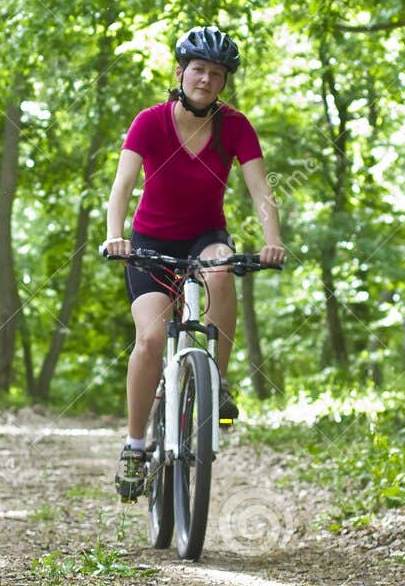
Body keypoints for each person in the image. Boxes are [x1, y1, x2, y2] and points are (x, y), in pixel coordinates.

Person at [104, 26, 285, 501]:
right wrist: (115, 236)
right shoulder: (149, 121)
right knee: (148, 338)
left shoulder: (236, 126)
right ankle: (135, 444)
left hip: (205, 239)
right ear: (181, 72)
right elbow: (122, 185)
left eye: (217, 73)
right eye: (199, 70)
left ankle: (216, 385)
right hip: (148, 244)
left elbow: (260, 190)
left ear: (224, 82)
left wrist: (273, 240)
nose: (206, 80)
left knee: (222, 271)